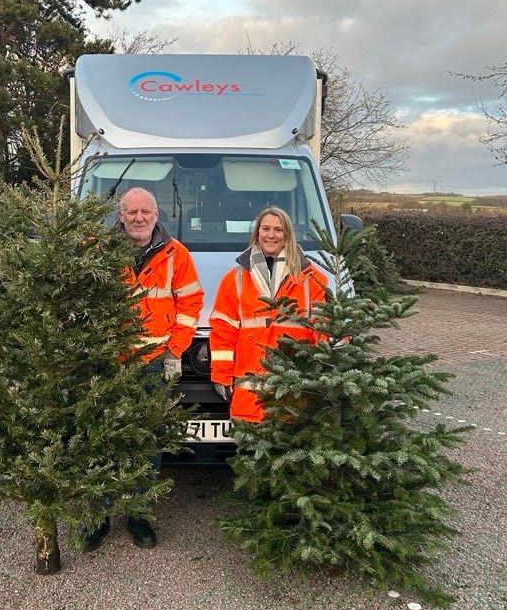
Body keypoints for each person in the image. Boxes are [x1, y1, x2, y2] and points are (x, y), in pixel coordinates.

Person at [83, 186, 204, 551]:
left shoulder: (175, 254)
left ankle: (138, 514)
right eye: (131, 212)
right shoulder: (98, 250)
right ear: (120, 215)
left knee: (145, 443)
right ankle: (98, 515)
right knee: (99, 439)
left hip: (152, 365)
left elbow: (190, 304)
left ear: (156, 215)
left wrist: (174, 351)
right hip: (106, 363)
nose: (138, 218)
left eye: (145, 212)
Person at [209, 207, 327, 423]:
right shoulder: (234, 279)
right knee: (248, 454)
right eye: (265, 229)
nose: (270, 235)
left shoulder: (312, 281)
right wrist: (221, 374)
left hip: (294, 395)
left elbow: (325, 330)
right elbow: (223, 332)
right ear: (257, 233)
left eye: (278, 230)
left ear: (287, 235)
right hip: (250, 396)